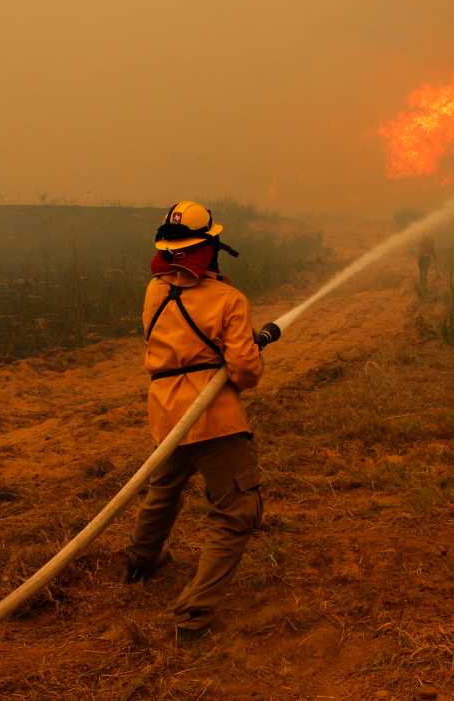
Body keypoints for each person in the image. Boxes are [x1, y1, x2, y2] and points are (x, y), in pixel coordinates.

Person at [124, 200, 266, 640]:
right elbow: (245, 372)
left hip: (166, 410)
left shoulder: (154, 291)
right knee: (237, 509)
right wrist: (247, 353)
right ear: (209, 248)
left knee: (165, 488)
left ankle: (140, 563)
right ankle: (195, 614)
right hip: (212, 416)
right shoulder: (228, 300)